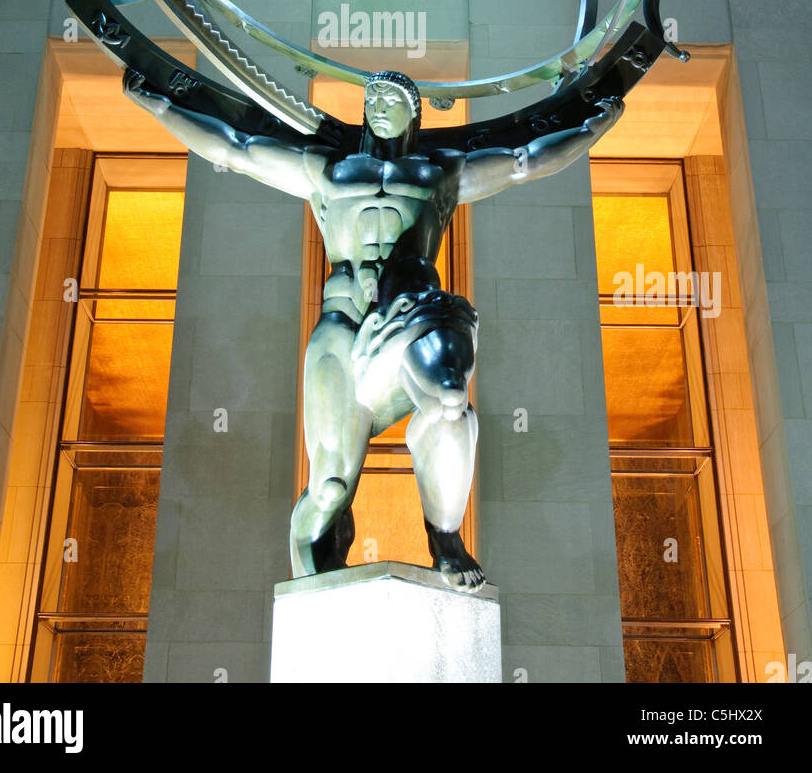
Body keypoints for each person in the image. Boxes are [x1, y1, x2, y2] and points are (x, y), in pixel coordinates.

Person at [124, 66, 622, 590]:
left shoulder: (439, 173)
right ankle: (311, 574)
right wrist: (161, 107)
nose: (379, 106)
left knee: (451, 393)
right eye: (374, 98)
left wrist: (593, 127)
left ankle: (445, 540)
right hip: (344, 332)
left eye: (393, 99)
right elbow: (236, 149)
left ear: (415, 112)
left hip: (407, 321)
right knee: (330, 488)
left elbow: (524, 161)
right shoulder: (328, 169)